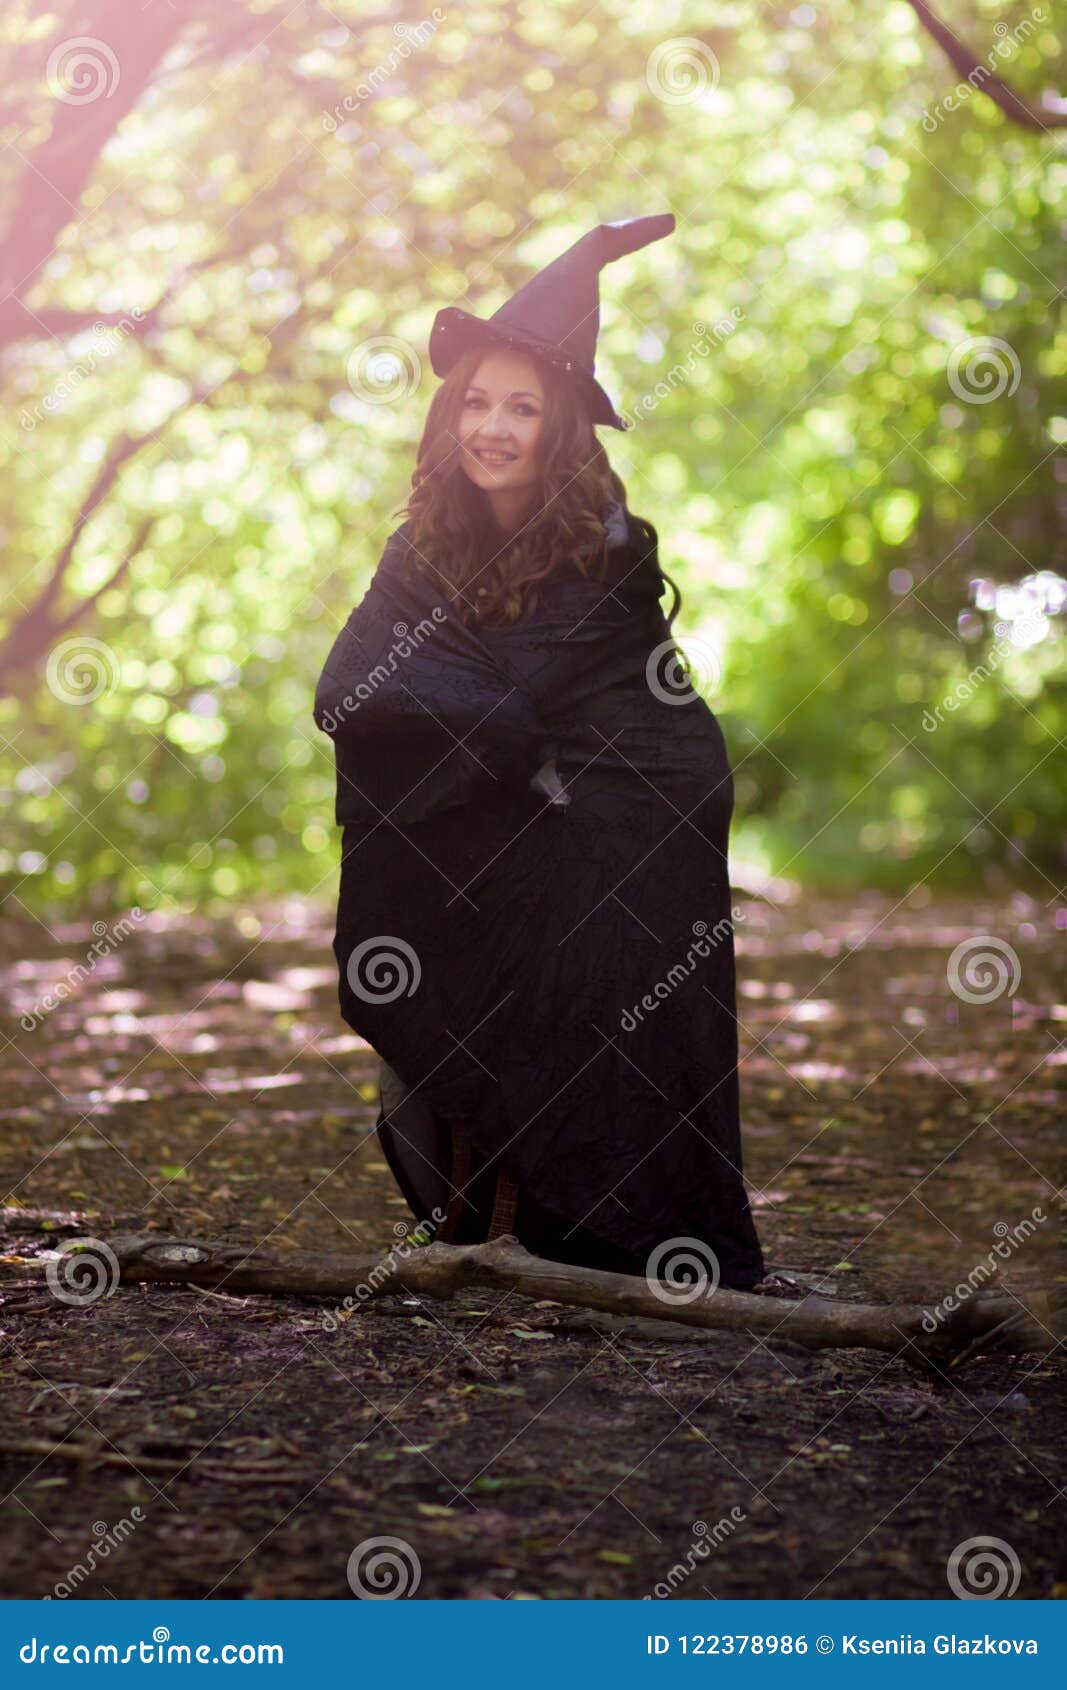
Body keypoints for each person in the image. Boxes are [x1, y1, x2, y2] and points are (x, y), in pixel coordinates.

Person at [313, 215, 767, 1291]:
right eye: (474, 402)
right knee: (423, 878)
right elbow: (353, 688)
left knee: (604, 933)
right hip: (513, 792)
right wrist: (491, 730)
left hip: (633, 798)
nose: (492, 428)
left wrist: (494, 721)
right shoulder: (420, 543)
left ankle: (604, 1216)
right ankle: (475, 1194)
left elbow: (565, 695)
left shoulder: (603, 538)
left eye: (520, 406)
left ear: (557, 424)